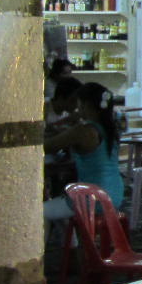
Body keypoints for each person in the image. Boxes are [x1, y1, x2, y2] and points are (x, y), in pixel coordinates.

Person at [43, 81, 125, 212]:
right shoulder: (110, 129)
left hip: (93, 199)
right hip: (115, 195)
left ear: (85, 104)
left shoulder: (83, 131)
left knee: (41, 213)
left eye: (78, 103)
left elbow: (47, 147)